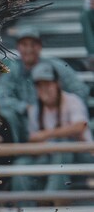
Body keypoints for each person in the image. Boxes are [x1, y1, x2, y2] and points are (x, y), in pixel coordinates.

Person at [0, 28, 88, 143]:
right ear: (18, 47)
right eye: (24, 45)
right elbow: (0, 97)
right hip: (27, 118)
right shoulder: (13, 70)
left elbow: (80, 90)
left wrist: (60, 105)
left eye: (33, 45)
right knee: (7, 114)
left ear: (40, 47)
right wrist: (25, 108)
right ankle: (15, 151)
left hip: (58, 118)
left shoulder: (56, 66)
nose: (29, 49)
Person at [25, 63, 92, 193]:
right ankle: (26, 210)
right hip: (50, 158)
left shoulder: (72, 100)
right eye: (40, 85)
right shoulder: (35, 109)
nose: (44, 89)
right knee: (23, 164)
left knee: (63, 148)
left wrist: (45, 134)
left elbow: (80, 127)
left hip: (82, 156)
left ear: (57, 84)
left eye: (48, 84)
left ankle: (50, 202)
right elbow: (33, 139)